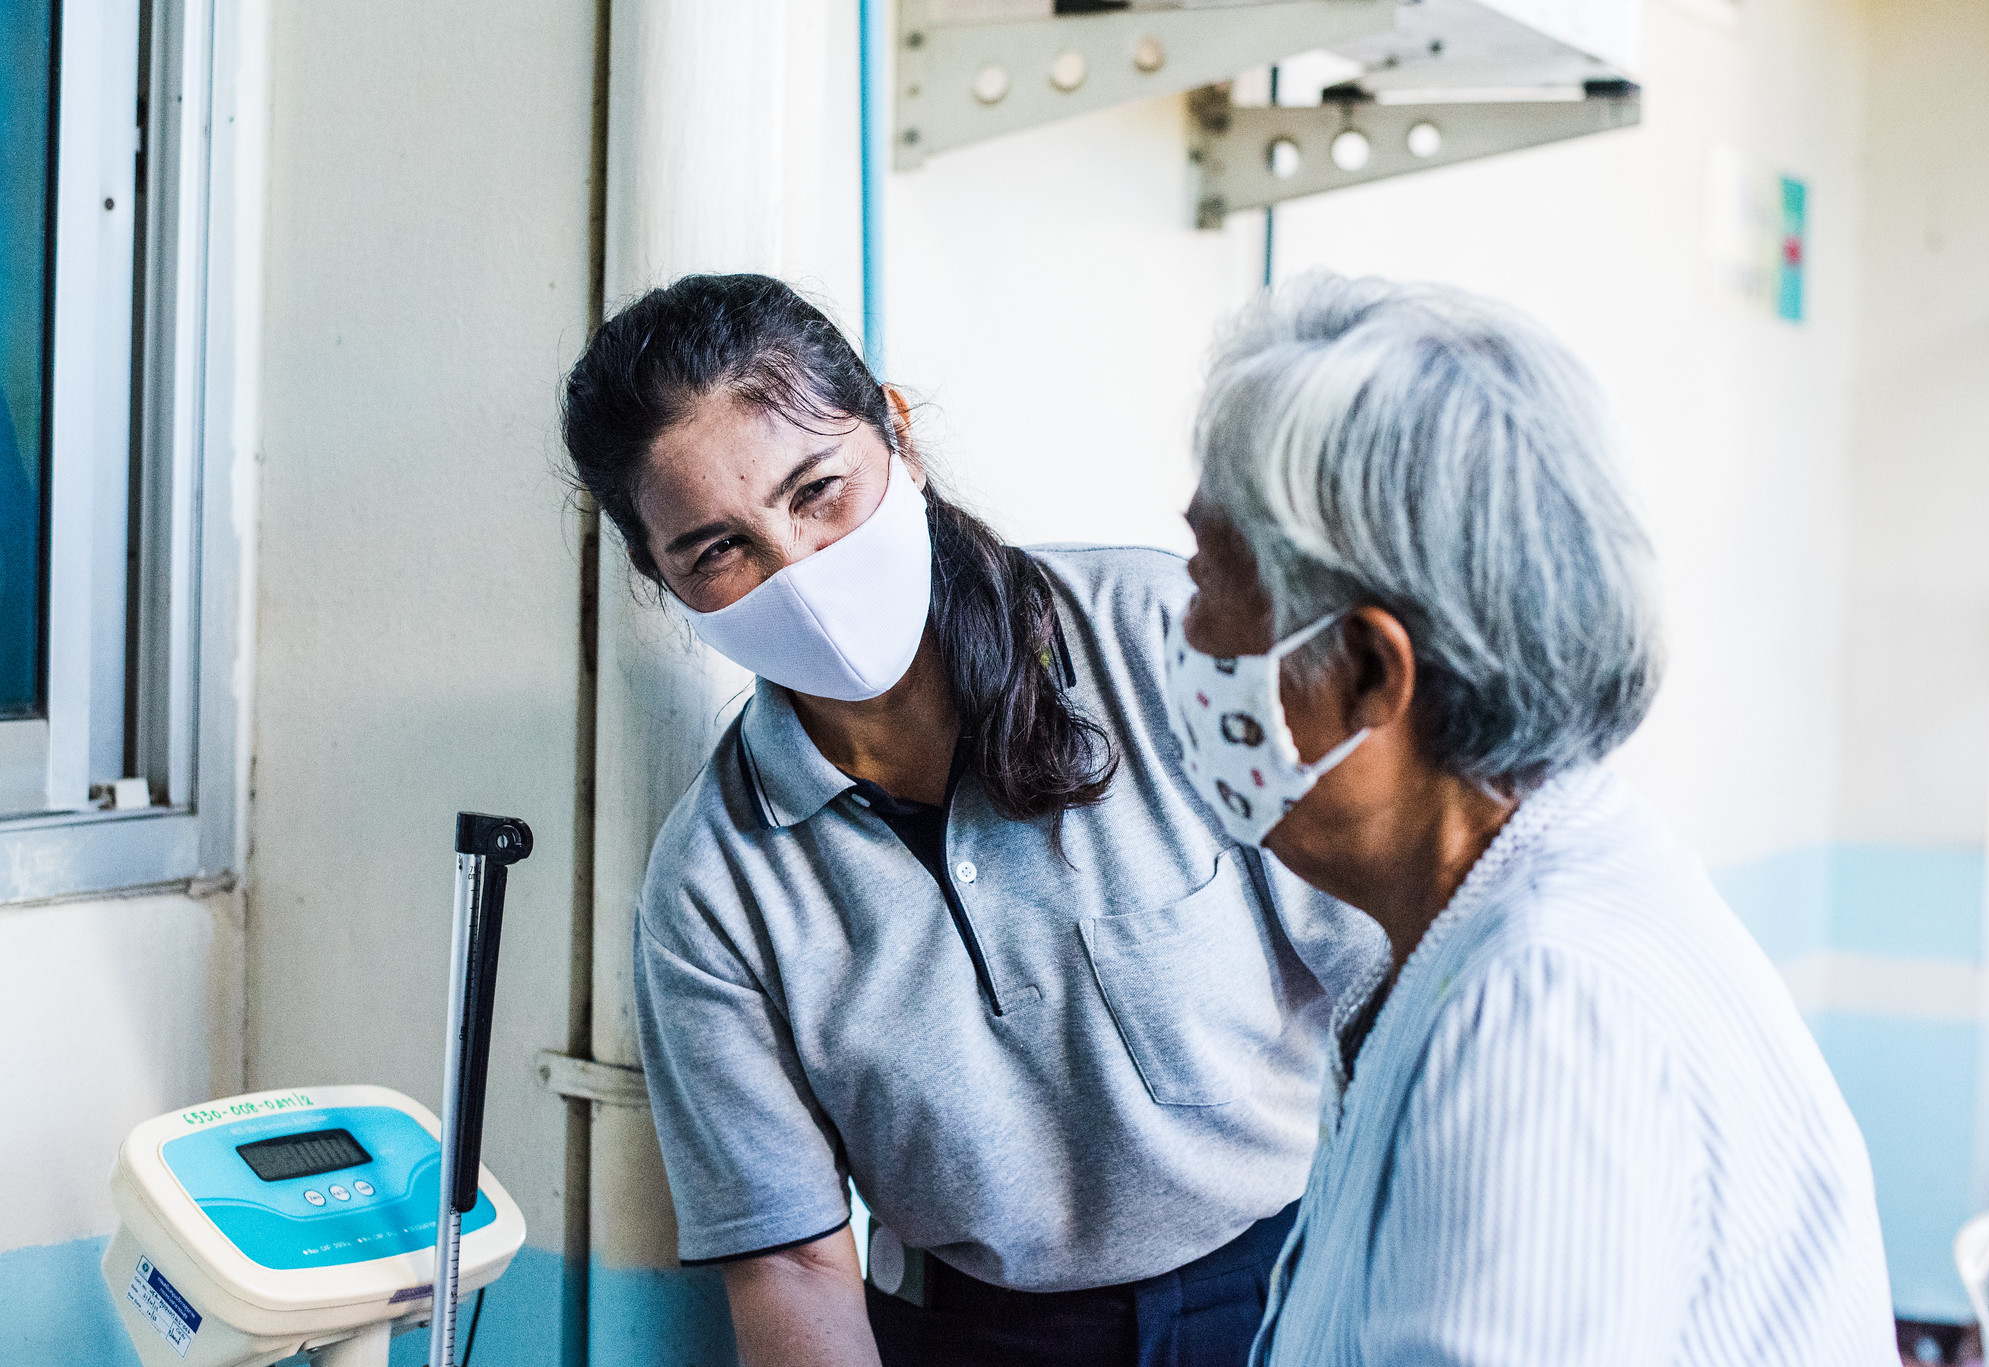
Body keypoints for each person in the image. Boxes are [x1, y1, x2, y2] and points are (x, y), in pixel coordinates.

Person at [558, 274, 1385, 1367]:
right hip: (970, 1329)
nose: (795, 567)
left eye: (817, 490)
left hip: (1282, 1278)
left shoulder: (1160, 645)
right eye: (717, 549)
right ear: (656, 574)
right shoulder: (714, 889)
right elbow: (790, 1264)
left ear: (894, 431)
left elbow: (1391, 983)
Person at [1165, 274, 1896, 1364]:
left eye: (1204, 576)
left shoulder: (1543, 1008)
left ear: (1368, 672)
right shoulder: (1471, 920)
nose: (1180, 629)